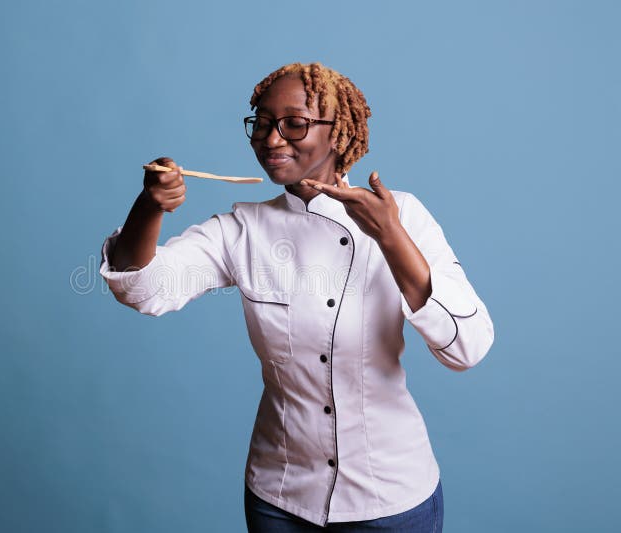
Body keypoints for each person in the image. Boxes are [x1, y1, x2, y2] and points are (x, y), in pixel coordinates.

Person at [99, 62, 494, 532]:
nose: (270, 139)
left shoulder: (402, 215)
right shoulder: (243, 229)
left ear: (337, 133)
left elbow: (467, 347)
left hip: (390, 498)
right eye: (262, 123)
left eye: (294, 124)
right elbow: (142, 288)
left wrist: (391, 238)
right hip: (279, 497)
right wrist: (149, 206)